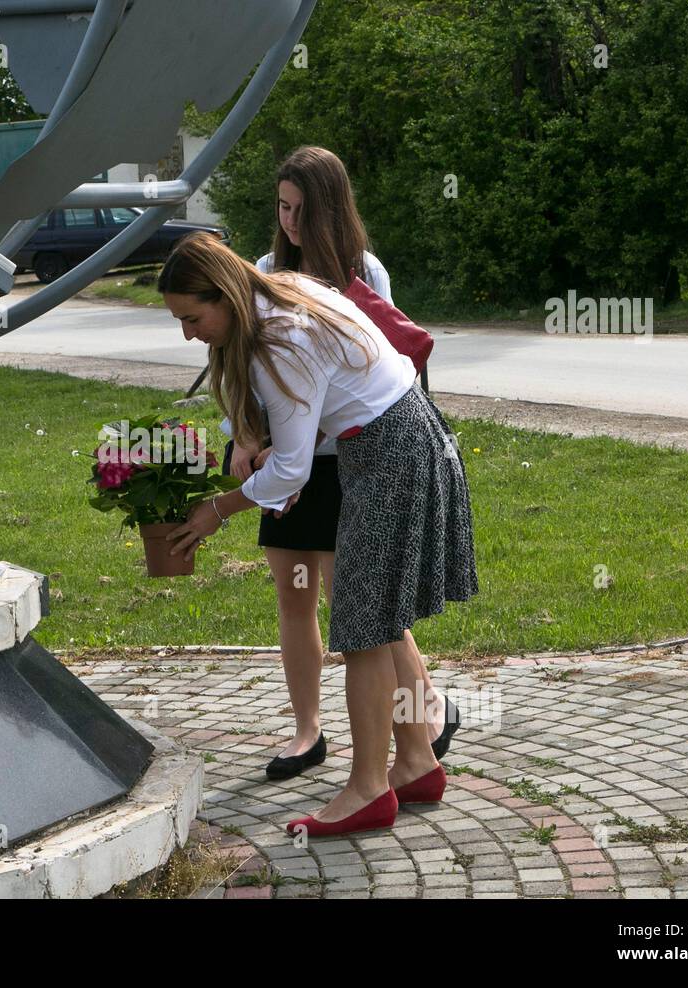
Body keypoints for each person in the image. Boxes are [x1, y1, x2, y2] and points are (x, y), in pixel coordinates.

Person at [160, 232, 478, 835]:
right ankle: (414, 762)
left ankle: (367, 789)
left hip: (393, 452)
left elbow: (292, 469)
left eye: (192, 318)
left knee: (361, 630)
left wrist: (218, 510)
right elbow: (296, 435)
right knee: (378, 623)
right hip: (392, 443)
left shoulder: (283, 341)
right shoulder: (284, 295)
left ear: (224, 296)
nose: (188, 334)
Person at [220, 146, 460, 782]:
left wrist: (259, 474)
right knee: (292, 594)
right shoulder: (266, 271)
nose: (290, 222)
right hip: (287, 460)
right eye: (281, 207)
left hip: (346, 461)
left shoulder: (365, 272)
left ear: (330, 209)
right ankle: (308, 732)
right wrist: (246, 435)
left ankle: (424, 719)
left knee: (364, 610)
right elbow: (252, 379)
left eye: (301, 208)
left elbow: (386, 363)